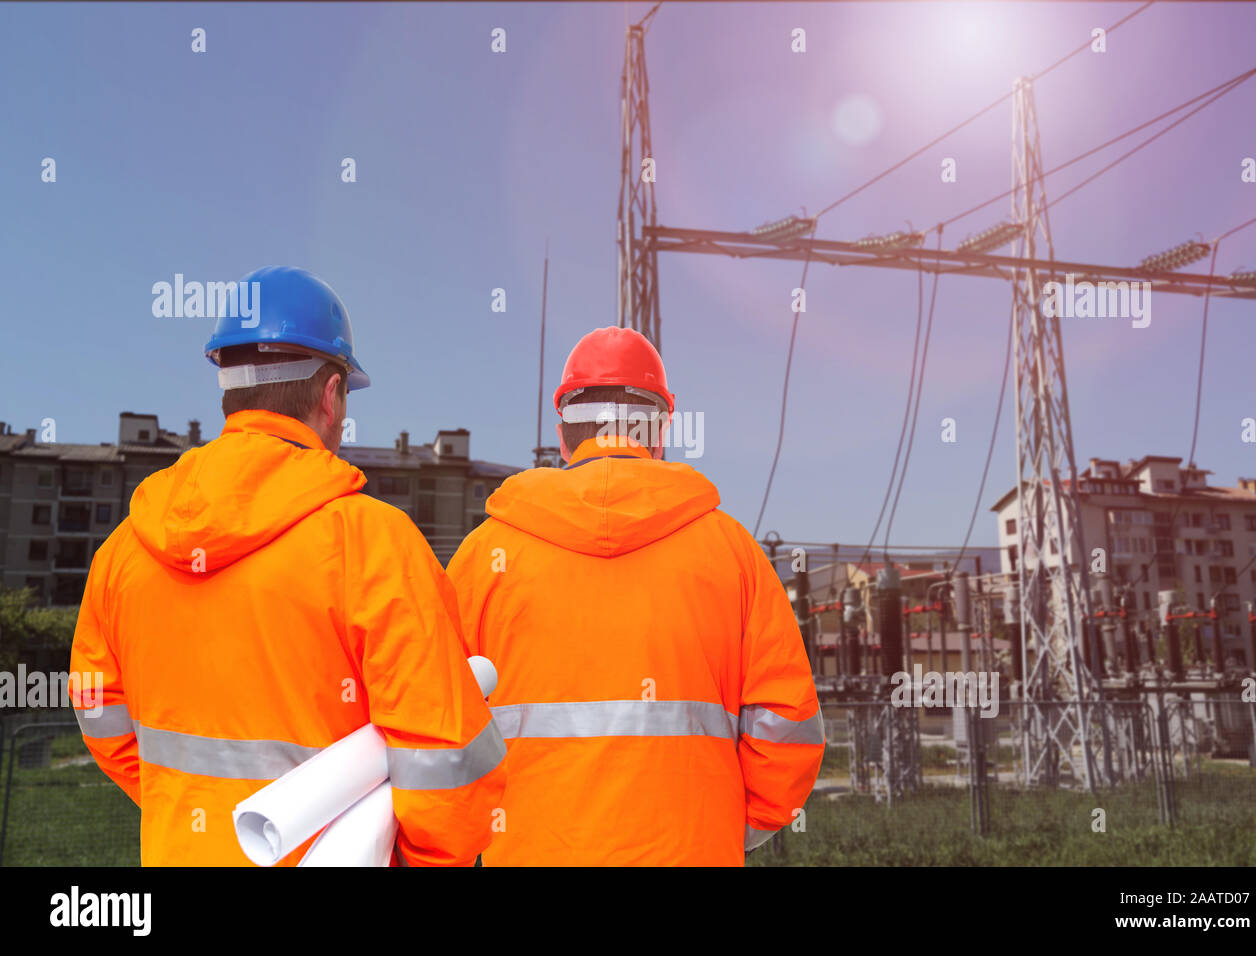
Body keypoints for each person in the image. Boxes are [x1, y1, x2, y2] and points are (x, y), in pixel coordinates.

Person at [68, 266, 506, 866]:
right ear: (330, 395)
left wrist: (194, 817)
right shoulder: (373, 543)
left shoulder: (123, 551)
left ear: (229, 387)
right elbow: (446, 760)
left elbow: (99, 712)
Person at [447, 326, 824, 865]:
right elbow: (787, 727)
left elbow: (438, 730)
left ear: (563, 434)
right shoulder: (732, 551)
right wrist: (726, 827)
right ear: (661, 428)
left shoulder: (485, 556)